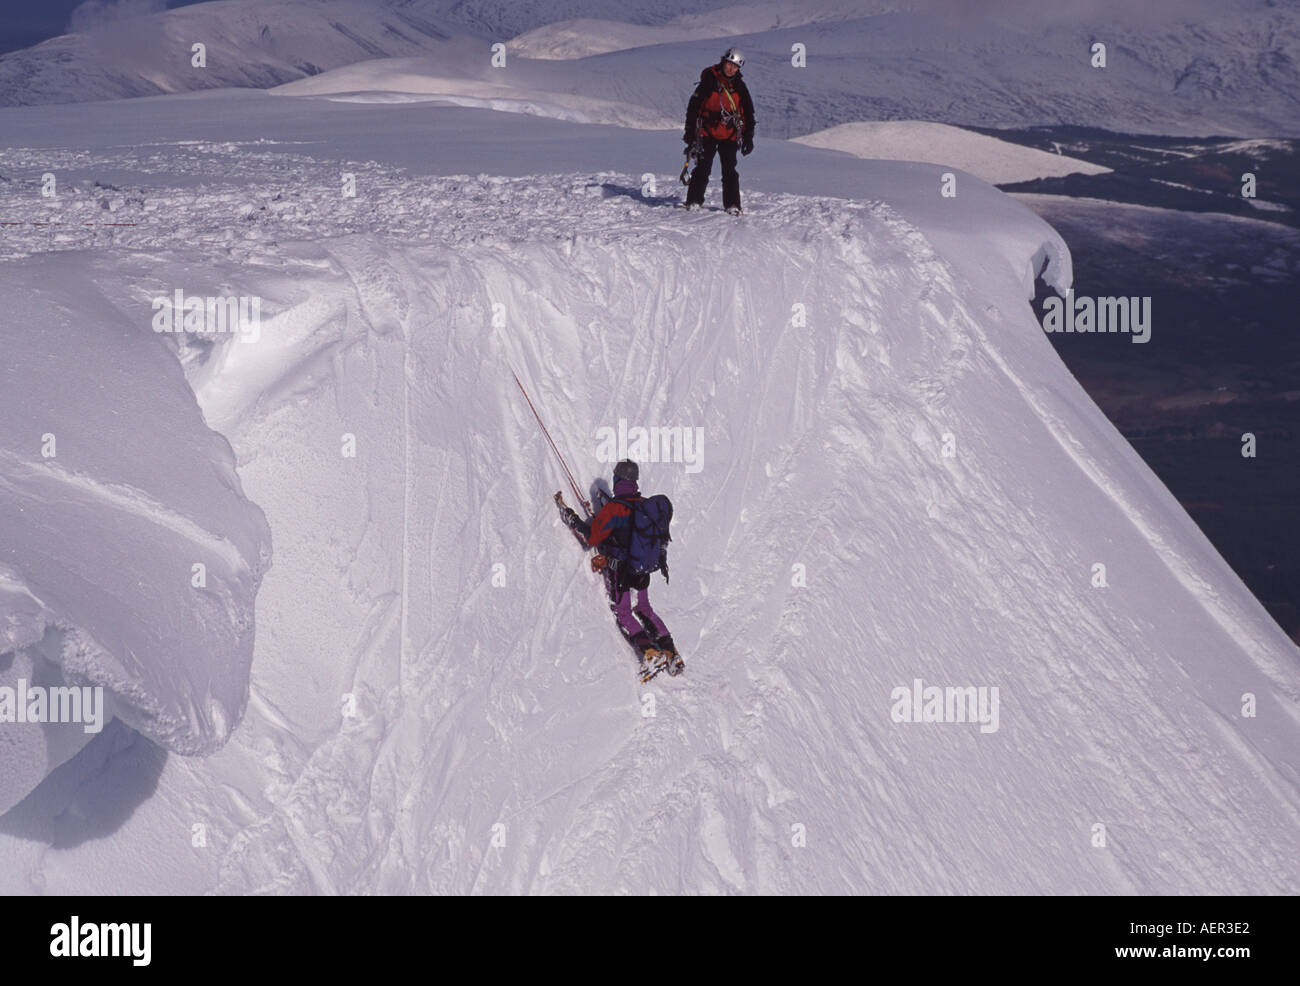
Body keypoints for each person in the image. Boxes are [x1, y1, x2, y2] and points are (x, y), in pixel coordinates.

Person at [560, 459, 677, 669]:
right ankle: (670, 652)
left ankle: (649, 653)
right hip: (643, 567)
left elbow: (592, 538)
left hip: (620, 569)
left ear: (617, 480)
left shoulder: (614, 509)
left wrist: (573, 518)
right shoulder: (645, 505)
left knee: (623, 612)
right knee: (644, 607)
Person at [683, 47, 755, 215]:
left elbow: (749, 113)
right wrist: (689, 134)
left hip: (729, 134)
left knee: (729, 169)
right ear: (724, 62)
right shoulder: (708, 81)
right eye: (729, 64)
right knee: (702, 167)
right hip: (707, 132)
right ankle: (694, 201)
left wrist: (748, 137)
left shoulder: (740, 87)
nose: (731, 69)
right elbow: (693, 109)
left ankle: (732, 204)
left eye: (735, 66)